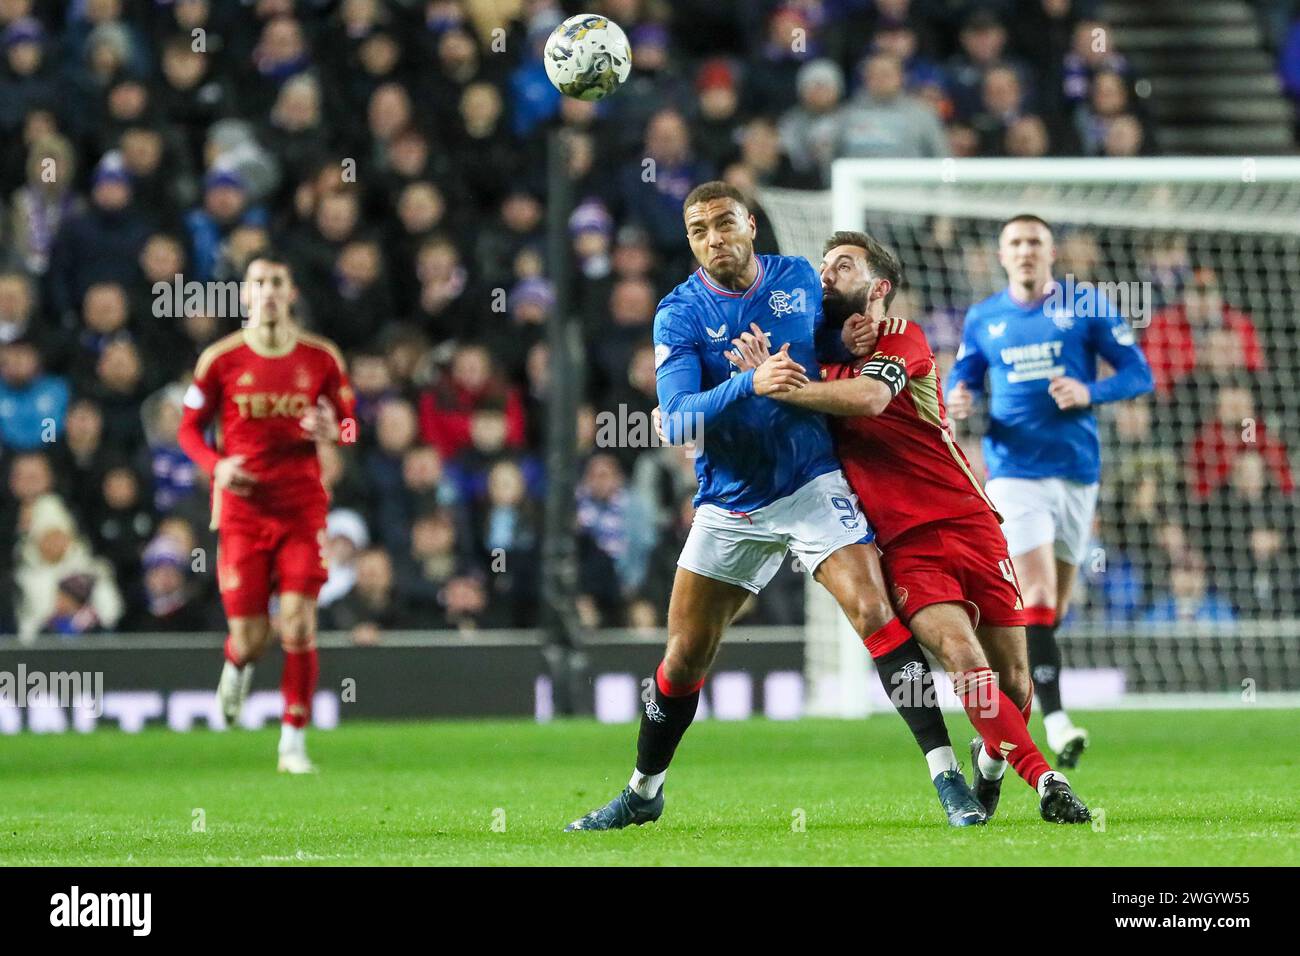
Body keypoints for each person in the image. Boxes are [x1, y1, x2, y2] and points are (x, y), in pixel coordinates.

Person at [565, 181, 985, 832]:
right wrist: (746, 382)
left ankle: (946, 774)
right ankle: (643, 791)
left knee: (873, 611)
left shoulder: (796, 280)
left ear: (752, 225)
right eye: (699, 229)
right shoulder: (678, 314)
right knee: (683, 657)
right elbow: (674, 422)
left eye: (724, 223)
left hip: (811, 480)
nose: (714, 239)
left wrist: (858, 339)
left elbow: (842, 348)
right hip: (731, 498)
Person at [727, 231, 1091, 823]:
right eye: (822, 266)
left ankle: (992, 762)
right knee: (961, 657)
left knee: (1015, 684)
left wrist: (787, 387)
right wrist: (768, 378)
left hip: (972, 524)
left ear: (879, 287)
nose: (825, 275)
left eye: (841, 266)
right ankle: (1047, 781)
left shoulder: (903, 337)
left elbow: (870, 400)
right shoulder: (813, 355)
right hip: (906, 545)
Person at [945, 214, 1153, 767]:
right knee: (1034, 597)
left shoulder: (1085, 307)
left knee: (1051, 610)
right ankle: (1057, 724)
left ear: (1051, 252)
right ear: (1002, 254)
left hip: (1078, 474)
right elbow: (960, 377)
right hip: (1013, 474)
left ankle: (992, 751)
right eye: (1015, 242)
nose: (1025, 250)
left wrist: (1089, 390)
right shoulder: (985, 317)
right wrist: (958, 398)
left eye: (1034, 241)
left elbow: (1139, 373)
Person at [177, 253, 356, 773]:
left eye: (278, 281)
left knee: (299, 622)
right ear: (245, 295)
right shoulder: (221, 359)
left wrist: (333, 432)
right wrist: (217, 466)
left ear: (291, 291)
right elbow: (188, 429)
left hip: (302, 509)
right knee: (253, 637)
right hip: (241, 513)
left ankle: (292, 743)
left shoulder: (320, 357)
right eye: (259, 283)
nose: (269, 291)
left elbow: (351, 426)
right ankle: (236, 664)